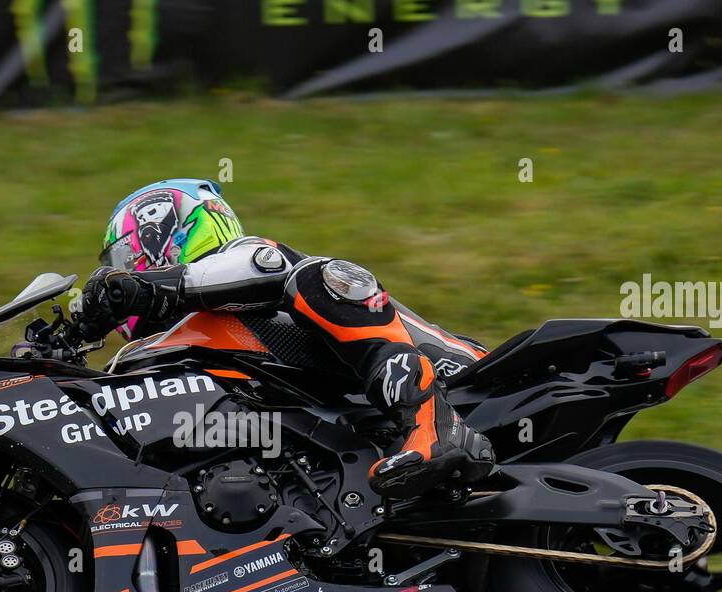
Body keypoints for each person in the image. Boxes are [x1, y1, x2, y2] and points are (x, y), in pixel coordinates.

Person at [78, 178, 494, 498]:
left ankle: (434, 425)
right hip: (359, 418)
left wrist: (134, 288)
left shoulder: (246, 262)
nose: (124, 273)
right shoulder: (187, 344)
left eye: (126, 261)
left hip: (469, 378)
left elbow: (265, 267)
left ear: (160, 236)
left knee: (316, 278)